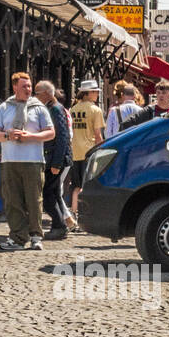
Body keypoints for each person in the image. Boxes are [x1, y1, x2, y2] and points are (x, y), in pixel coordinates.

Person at [0, 71, 54, 250]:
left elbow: (50, 132)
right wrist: (7, 136)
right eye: (24, 86)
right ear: (15, 87)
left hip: (33, 161)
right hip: (10, 161)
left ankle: (35, 236)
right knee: (12, 200)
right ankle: (17, 237)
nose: (28, 89)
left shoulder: (38, 107)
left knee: (34, 199)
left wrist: (31, 136)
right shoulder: (4, 107)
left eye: (30, 86)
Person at [34, 80, 72, 239]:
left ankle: (59, 225)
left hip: (56, 160)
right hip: (52, 158)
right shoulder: (49, 108)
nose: (35, 96)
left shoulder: (55, 109)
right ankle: (61, 225)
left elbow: (62, 137)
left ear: (47, 94)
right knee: (54, 193)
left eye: (37, 93)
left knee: (47, 193)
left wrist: (56, 163)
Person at [69, 79, 105, 230]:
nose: (97, 94)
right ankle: (86, 218)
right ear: (87, 93)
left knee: (76, 187)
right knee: (88, 186)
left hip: (74, 152)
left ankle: (73, 217)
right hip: (89, 152)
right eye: (95, 91)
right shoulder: (95, 110)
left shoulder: (73, 109)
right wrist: (102, 150)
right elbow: (98, 135)